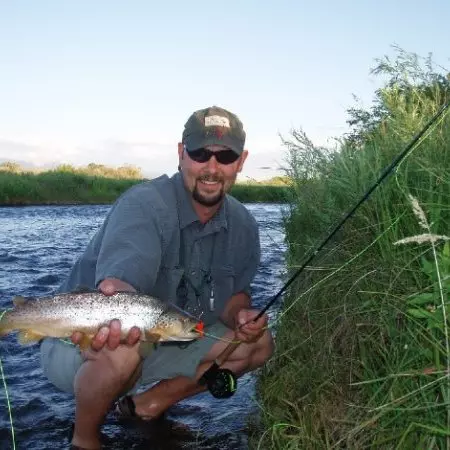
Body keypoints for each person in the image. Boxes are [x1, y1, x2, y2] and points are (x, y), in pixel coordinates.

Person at [40, 105, 274, 450]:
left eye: (225, 156)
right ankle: (84, 440)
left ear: (240, 161)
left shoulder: (243, 224)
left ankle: (146, 406)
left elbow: (234, 297)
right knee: (122, 347)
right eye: (200, 153)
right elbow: (119, 283)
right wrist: (115, 299)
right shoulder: (145, 205)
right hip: (79, 343)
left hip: (167, 337)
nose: (212, 167)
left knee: (259, 344)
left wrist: (242, 316)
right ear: (181, 154)